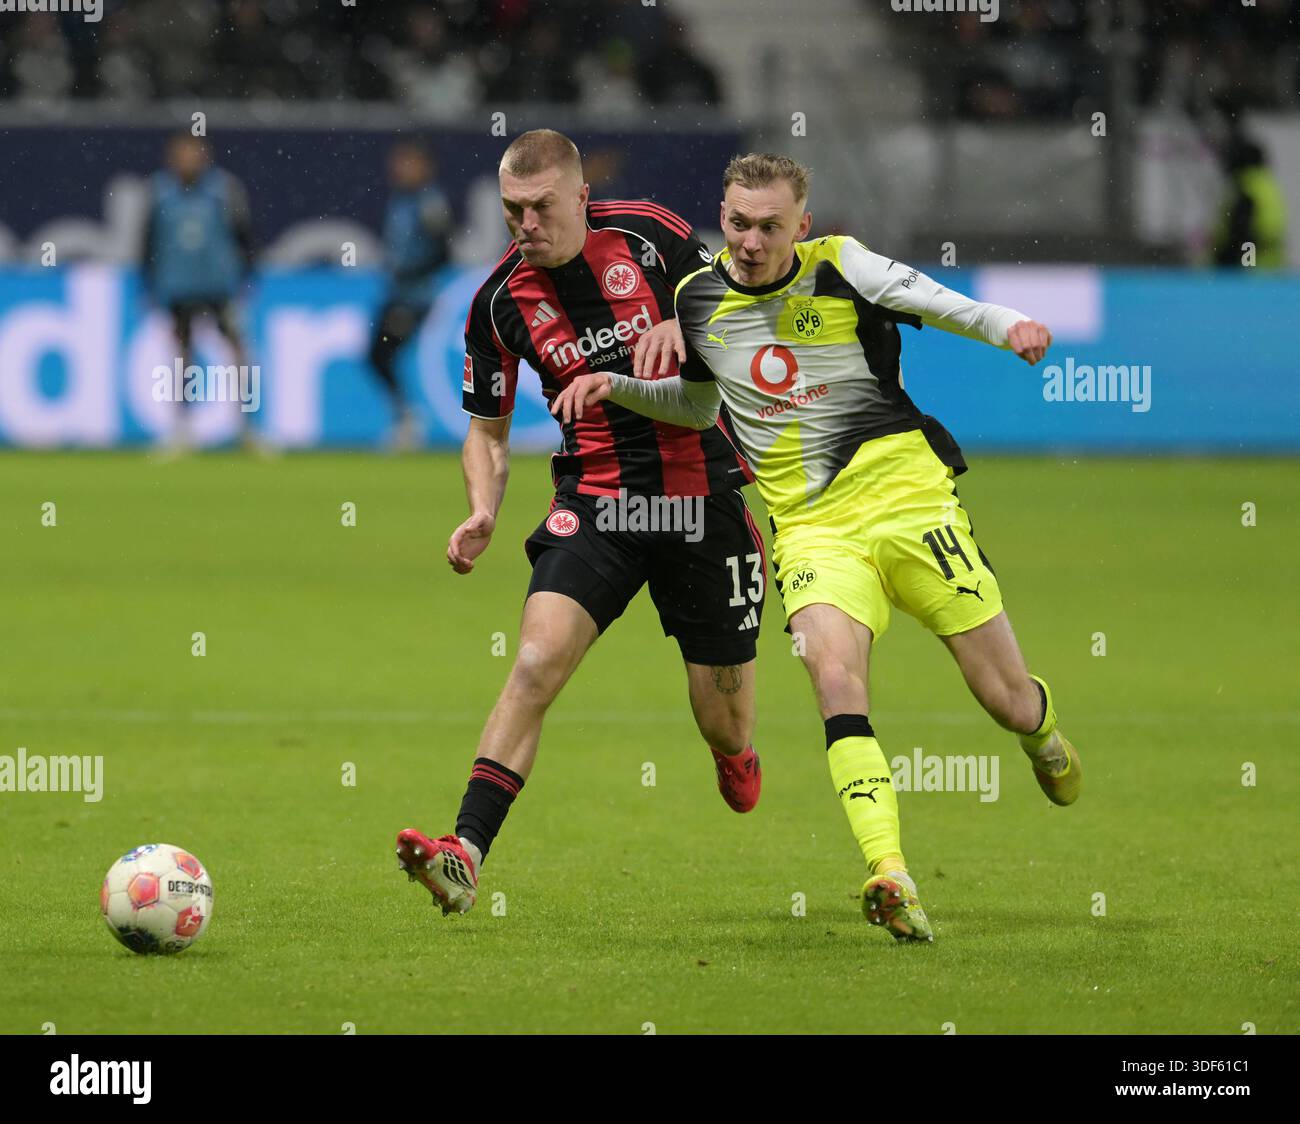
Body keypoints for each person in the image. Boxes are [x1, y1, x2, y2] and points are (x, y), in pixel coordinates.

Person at [551, 153, 1083, 942]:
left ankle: (1040, 733)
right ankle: (890, 872)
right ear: (721, 217)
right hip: (811, 529)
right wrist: (616, 385)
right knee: (833, 675)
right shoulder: (696, 300)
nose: (752, 241)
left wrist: (1012, 328)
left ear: (801, 225)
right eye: (738, 223)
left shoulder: (843, 266)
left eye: (770, 227)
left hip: (911, 503)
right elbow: (701, 410)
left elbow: (936, 303)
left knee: (1003, 696)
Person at [396, 130, 766, 916]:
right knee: (534, 663)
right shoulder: (499, 302)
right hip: (599, 503)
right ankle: (464, 852)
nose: (525, 224)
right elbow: (487, 433)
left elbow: (736, 303)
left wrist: (690, 322)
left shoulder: (651, 235)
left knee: (725, 720)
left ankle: (734, 756)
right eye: (510, 210)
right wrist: (482, 508)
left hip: (703, 501)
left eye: (539, 207)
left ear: (578, 197)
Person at [142, 133, 255, 451]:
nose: (187, 160)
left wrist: (246, 277)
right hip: (179, 285)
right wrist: (150, 281)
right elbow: (148, 240)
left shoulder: (225, 190)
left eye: (193, 154)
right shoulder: (160, 192)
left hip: (220, 285)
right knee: (183, 358)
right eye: (182, 154)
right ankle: (182, 428)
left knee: (237, 352)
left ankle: (246, 427)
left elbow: (244, 236)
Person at [367, 141, 453, 449]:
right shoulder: (401, 200)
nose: (400, 169)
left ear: (425, 166)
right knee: (377, 356)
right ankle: (406, 416)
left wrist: (411, 272)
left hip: (415, 297)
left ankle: (409, 419)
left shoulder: (429, 202)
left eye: (408, 163)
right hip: (397, 294)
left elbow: (444, 251)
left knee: (382, 354)